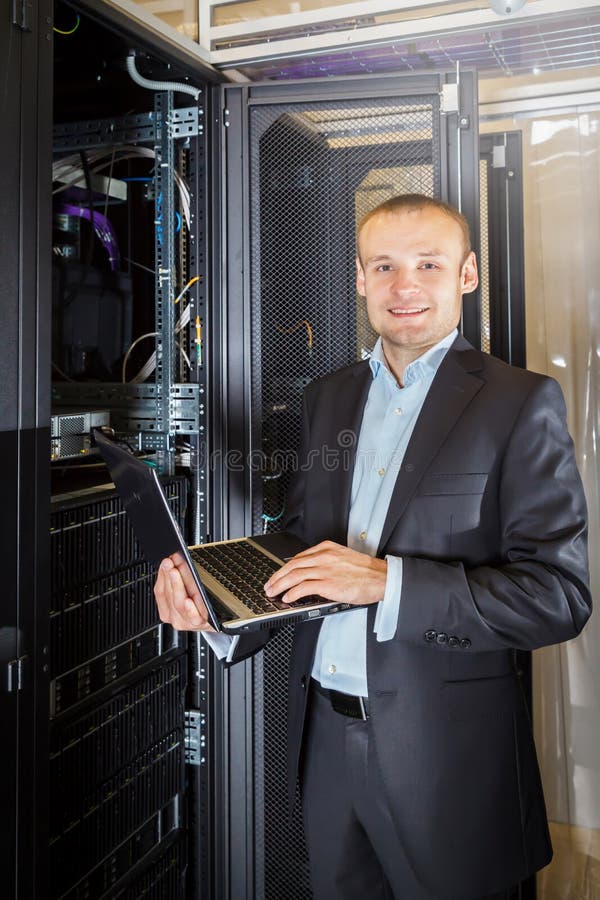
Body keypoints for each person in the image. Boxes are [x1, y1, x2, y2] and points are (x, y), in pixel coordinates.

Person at [154, 194, 591, 900]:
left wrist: (390, 583)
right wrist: (215, 598)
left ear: (467, 274)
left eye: (428, 263)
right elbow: (304, 549)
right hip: (325, 741)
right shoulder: (329, 396)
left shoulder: (520, 403)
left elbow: (559, 598)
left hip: (450, 761)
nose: (405, 286)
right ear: (359, 280)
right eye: (383, 266)